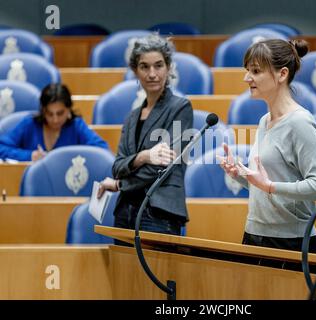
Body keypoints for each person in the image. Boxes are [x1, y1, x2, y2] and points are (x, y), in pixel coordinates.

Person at [219, 39, 316, 254]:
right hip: (254, 234)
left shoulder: (300, 123)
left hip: (292, 241)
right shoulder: (264, 121)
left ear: (282, 74)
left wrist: (270, 186)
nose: (247, 78)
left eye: (255, 71)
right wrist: (240, 175)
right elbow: (266, 184)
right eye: (247, 70)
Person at [97, 34, 193, 242]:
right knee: (123, 274)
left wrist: (120, 185)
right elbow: (117, 167)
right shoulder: (132, 117)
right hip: (125, 211)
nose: (152, 74)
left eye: (158, 66)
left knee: (152, 275)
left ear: (168, 68)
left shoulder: (180, 108)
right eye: (144, 67)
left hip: (159, 212)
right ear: (135, 71)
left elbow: (163, 166)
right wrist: (143, 156)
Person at [0, 83, 109, 161]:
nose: (55, 119)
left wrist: (71, 157)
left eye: (60, 113)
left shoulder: (76, 126)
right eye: (49, 114)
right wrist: (29, 156)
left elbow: (102, 149)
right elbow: (2, 147)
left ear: (69, 110)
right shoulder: (29, 124)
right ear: (43, 111)